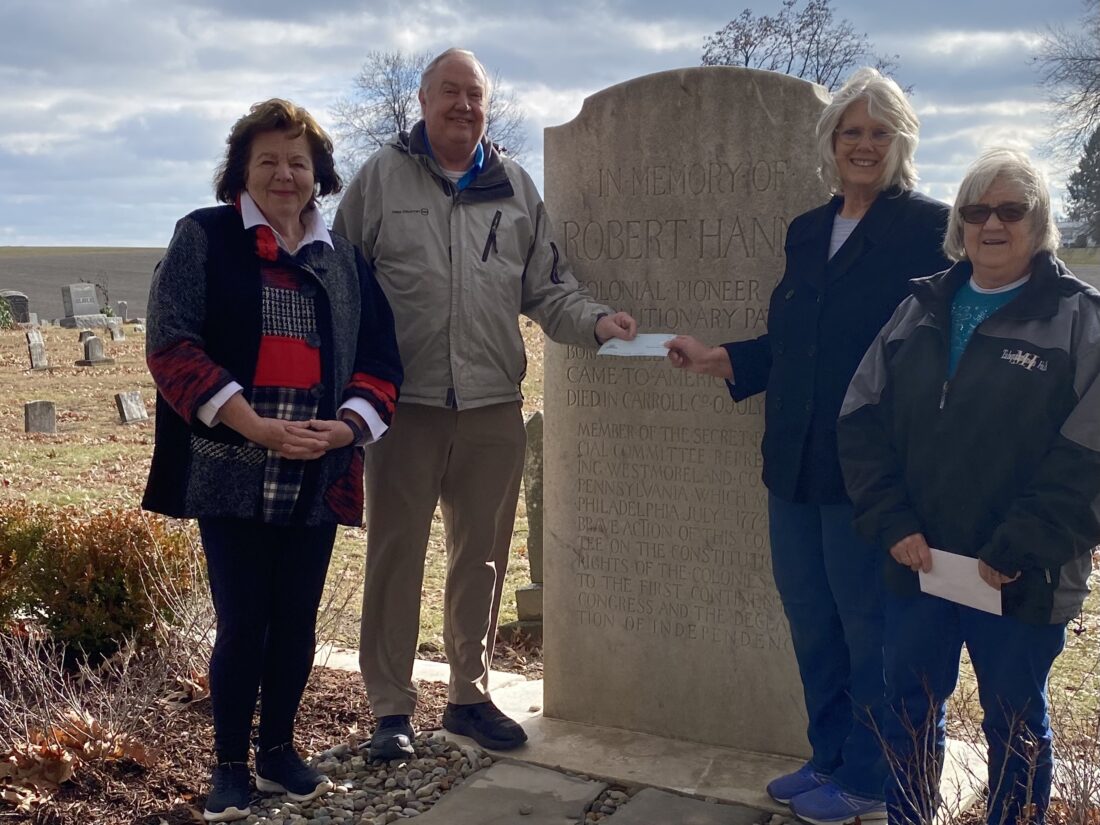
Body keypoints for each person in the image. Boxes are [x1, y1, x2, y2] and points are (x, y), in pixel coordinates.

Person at [333, 47, 637, 759]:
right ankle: (390, 710)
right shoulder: (380, 179)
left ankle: (468, 696)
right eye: (450, 92)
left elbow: (549, 289)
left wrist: (597, 323)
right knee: (396, 557)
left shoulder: (515, 187)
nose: (463, 106)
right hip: (402, 407)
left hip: (493, 406)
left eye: (474, 95)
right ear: (423, 100)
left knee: (482, 561)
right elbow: (340, 284)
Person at [664, 68, 950, 824]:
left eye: (879, 132)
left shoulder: (930, 229)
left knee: (870, 630)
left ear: (901, 142)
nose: (864, 145)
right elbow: (795, 342)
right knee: (813, 624)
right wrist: (720, 358)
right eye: (851, 131)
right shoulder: (807, 229)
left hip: (872, 475)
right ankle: (827, 756)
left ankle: (873, 778)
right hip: (792, 465)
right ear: (830, 142)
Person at [142, 99, 403, 823]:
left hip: (319, 468)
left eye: (298, 162)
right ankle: (229, 764)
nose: (285, 175)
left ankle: (279, 752)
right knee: (243, 621)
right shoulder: (204, 236)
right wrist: (253, 425)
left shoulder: (344, 259)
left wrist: (345, 430)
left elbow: (381, 361)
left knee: (295, 621)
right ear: (242, 170)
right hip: (231, 464)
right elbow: (171, 344)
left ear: (319, 174)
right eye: (268, 161)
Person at [838, 148, 1100, 825]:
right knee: (909, 711)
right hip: (920, 563)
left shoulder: (1080, 319)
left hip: (1019, 572)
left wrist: (1020, 545)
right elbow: (860, 419)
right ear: (959, 223)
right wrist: (893, 523)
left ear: (1039, 221)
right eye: (976, 210)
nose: (992, 224)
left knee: (1014, 724)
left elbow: (1090, 456)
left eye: (1011, 209)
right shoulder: (919, 308)